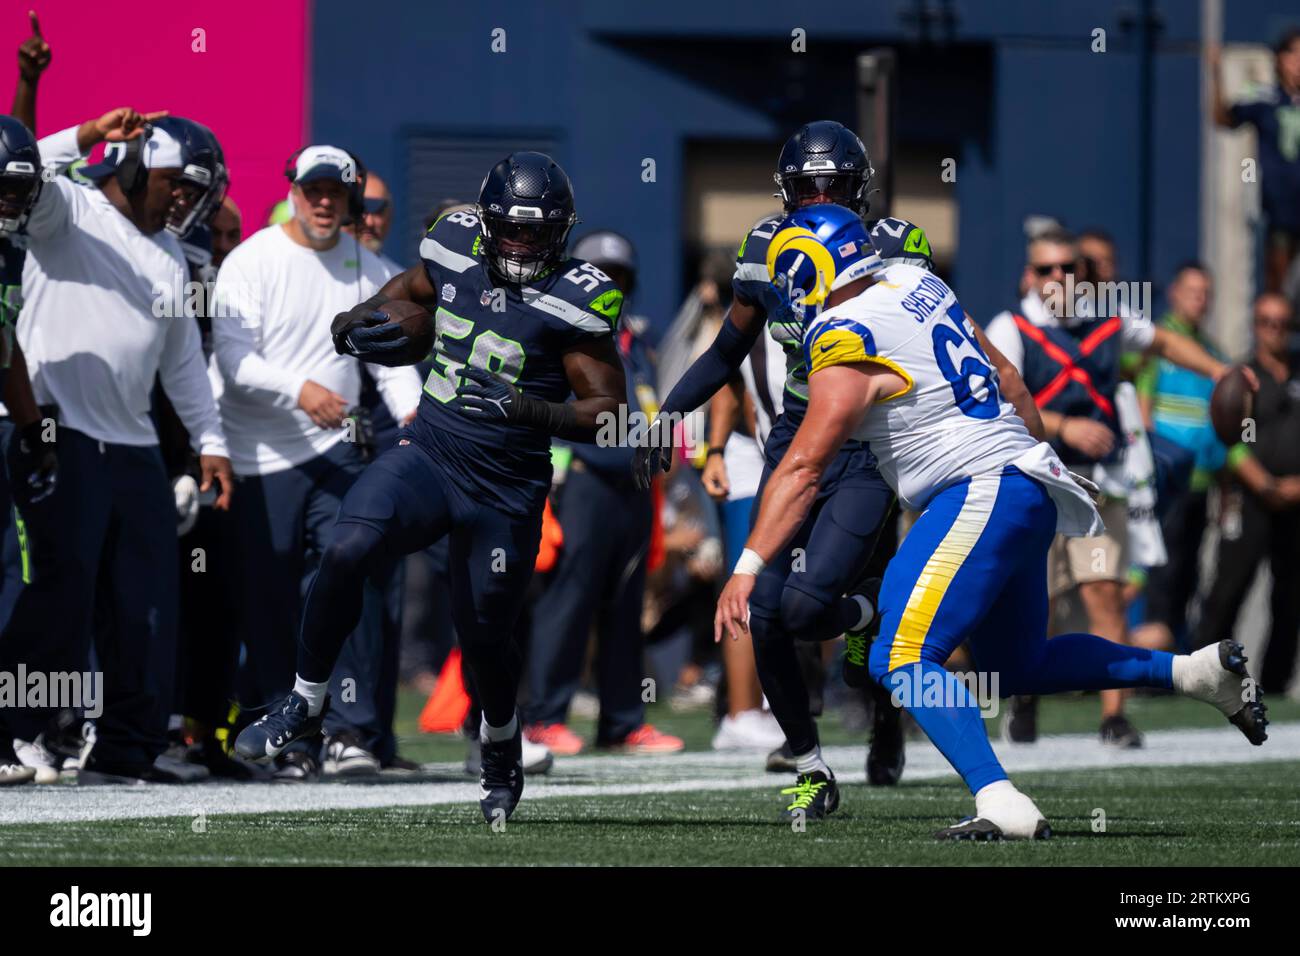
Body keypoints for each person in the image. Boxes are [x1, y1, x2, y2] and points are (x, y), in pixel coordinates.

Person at [716, 208, 1269, 839]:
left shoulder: (845, 331)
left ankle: (999, 799)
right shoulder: (918, 285)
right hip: (1023, 480)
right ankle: (1194, 673)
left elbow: (805, 466)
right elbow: (1010, 379)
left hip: (977, 488)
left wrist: (748, 566)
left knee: (900, 656)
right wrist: (1033, 470)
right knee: (1016, 666)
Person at [236, 152, 627, 823]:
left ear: (559, 233)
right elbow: (410, 296)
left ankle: (500, 742)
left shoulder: (576, 297)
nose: (520, 245)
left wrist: (531, 410)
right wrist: (357, 320)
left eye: (535, 234)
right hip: (432, 449)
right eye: (509, 230)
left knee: (484, 638)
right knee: (348, 545)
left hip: (506, 485)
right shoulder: (454, 245)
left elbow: (612, 417)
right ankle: (305, 700)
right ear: (488, 222)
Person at [3, 111, 233, 785]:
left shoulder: (168, 257)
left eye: (197, 191)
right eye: (178, 185)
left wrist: (211, 440)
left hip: (133, 445)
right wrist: (87, 135)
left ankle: (127, 749)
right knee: (58, 598)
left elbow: (183, 362)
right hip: (61, 430)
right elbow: (14, 164)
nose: (186, 201)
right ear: (133, 167)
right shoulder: (68, 207)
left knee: (148, 603)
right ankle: (9, 730)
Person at [985, 229, 1243, 748]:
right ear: (1027, 277)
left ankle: (1114, 715)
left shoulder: (1109, 317)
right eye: (1044, 269)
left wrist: (1221, 371)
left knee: (1104, 595)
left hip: (1093, 490)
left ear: (1083, 274)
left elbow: (1164, 342)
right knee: (1034, 605)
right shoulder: (1009, 327)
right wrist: (1062, 426)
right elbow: (1000, 398)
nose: (1057, 278)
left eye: (1067, 268)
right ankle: (1024, 696)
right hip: (1033, 483)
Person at [212, 145, 421, 780]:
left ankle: (351, 733)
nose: (324, 201)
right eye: (313, 189)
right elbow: (233, 359)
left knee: (345, 576)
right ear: (293, 191)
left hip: (338, 458)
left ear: (353, 198)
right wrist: (299, 389)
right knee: (271, 603)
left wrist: (413, 422)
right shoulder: (252, 261)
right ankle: (287, 740)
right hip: (260, 458)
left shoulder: (369, 268)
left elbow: (396, 363)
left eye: (336, 190)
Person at [524, 230, 684, 755]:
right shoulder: (561, 332)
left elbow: (647, 407)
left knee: (625, 605)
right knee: (567, 605)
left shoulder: (637, 341)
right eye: (598, 275)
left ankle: (621, 722)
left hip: (635, 489)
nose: (608, 285)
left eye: (618, 277)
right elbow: (558, 416)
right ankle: (544, 717)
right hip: (585, 484)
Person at [1197, 293, 1300, 692]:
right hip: (1252, 498)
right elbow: (1229, 436)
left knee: (1289, 597)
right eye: (1266, 322)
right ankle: (1205, 676)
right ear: (1255, 325)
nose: (1274, 331)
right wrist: (1263, 482)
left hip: (1294, 501)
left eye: (1282, 323)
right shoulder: (1244, 377)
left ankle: (1275, 684)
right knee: (1228, 590)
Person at [1131, 264, 1226, 652]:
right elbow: (1143, 408)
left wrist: (1225, 484)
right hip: (1165, 480)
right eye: (1191, 291)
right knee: (1159, 573)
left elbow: (1220, 425)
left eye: (1205, 292)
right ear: (1173, 293)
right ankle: (1149, 661)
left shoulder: (1213, 354)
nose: (1198, 299)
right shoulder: (1157, 345)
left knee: (1189, 573)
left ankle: (1179, 659)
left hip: (1201, 481)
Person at [1210, 31, 1300, 293]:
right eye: (1293, 53)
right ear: (1279, 60)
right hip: (1279, 212)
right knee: (1277, 287)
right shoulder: (1264, 98)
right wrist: (1215, 74)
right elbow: (1224, 119)